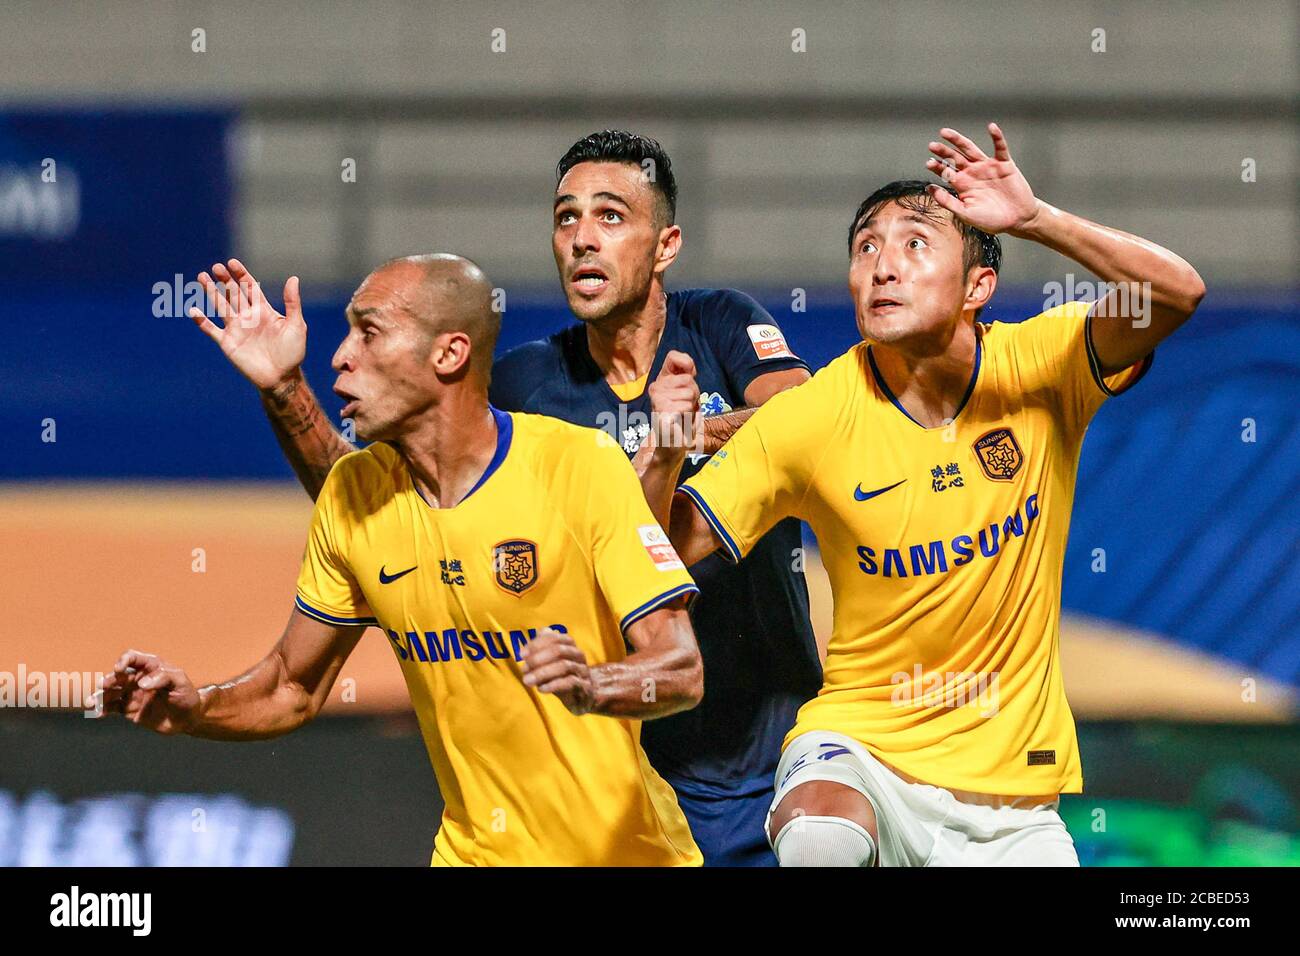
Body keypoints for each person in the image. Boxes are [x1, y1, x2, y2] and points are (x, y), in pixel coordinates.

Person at [193, 131, 821, 866]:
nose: (583, 238)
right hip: (622, 773)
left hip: (766, 761)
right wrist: (284, 390)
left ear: (666, 244)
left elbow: (803, 426)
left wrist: (685, 436)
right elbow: (378, 499)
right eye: (565, 218)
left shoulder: (716, 324)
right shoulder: (528, 385)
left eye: (611, 217)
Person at [654, 124, 1205, 866]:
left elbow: (1177, 293)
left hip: (1010, 800)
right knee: (819, 836)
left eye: (914, 243)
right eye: (866, 247)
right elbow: (660, 547)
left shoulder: (1043, 367)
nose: (883, 266)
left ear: (978, 286)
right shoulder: (811, 418)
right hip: (860, 749)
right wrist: (659, 453)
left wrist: (1036, 218)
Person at [94, 254, 705, 867]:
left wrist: (592, 683)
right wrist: (197, 706)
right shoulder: (352, 495)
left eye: (370, 331)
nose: (339, 356)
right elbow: (291, 686)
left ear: (449, 354)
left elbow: (680, 668)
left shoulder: (578, 467)